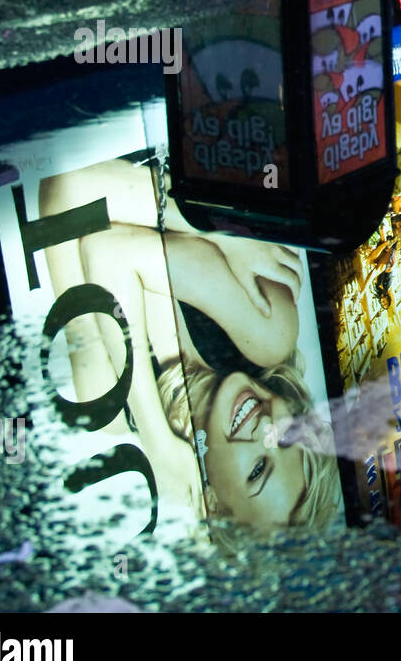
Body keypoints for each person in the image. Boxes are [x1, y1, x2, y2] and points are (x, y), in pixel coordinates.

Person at [38, 157, 340, 543]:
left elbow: (62, 194)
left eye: (257, 470)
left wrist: (158, 439)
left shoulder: (107, 408)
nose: (268, 428)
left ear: (212, 502)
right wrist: (221, 234)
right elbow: (99, 236)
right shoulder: (267, 334)